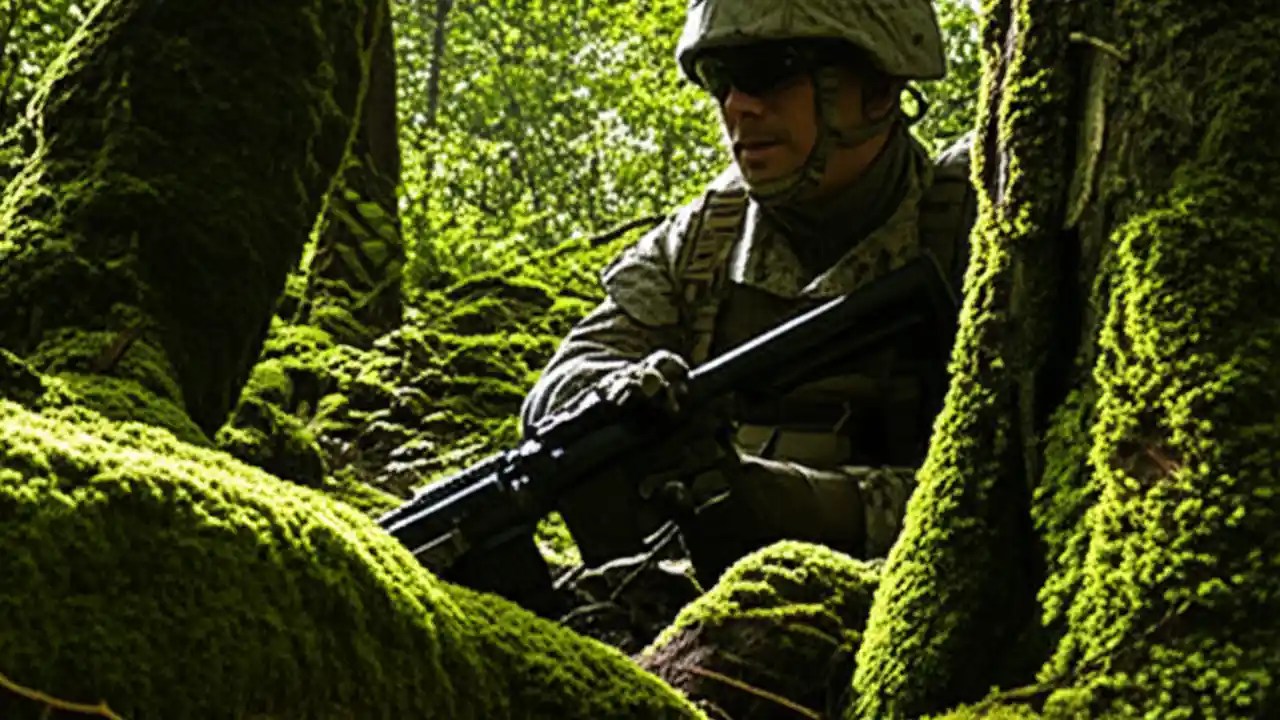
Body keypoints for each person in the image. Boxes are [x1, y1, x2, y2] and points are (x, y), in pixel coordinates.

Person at [521, 0, 976, 584]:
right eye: (720, 78)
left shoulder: (969, 230)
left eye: (770, 72)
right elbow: (564, 382)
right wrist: (620, 399)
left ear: (877, 91)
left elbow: (1006, 482)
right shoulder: (706, 237)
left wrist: (812, 505)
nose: (738, 105)